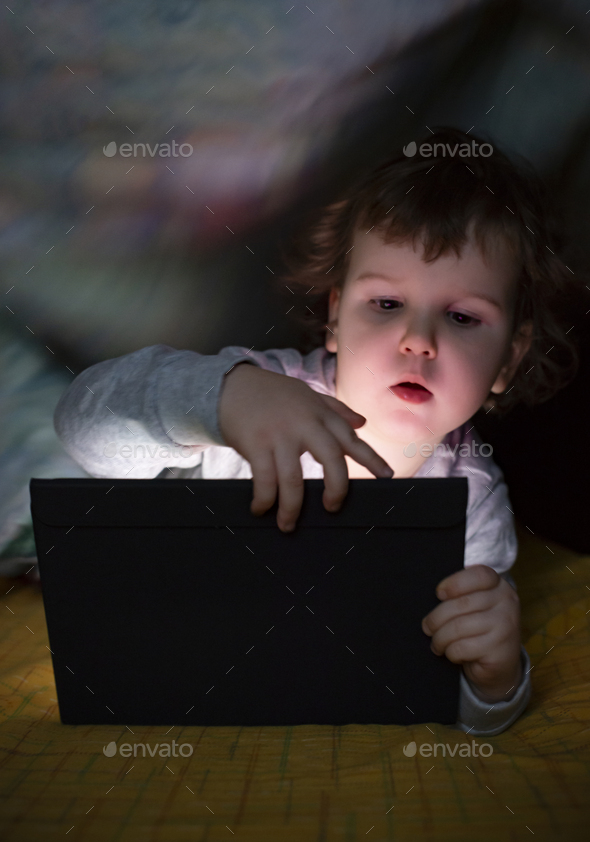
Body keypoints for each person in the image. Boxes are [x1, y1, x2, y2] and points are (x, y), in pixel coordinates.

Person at [53, 127, 580, 737]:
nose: (418, 340)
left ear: (508, 362)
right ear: (335, 317)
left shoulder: (474, 500)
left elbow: (450, 700)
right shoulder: (258, 394)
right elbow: (81, 425)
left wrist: (495, 681)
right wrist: (219, 398)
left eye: (462, 317)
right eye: (385, 304)